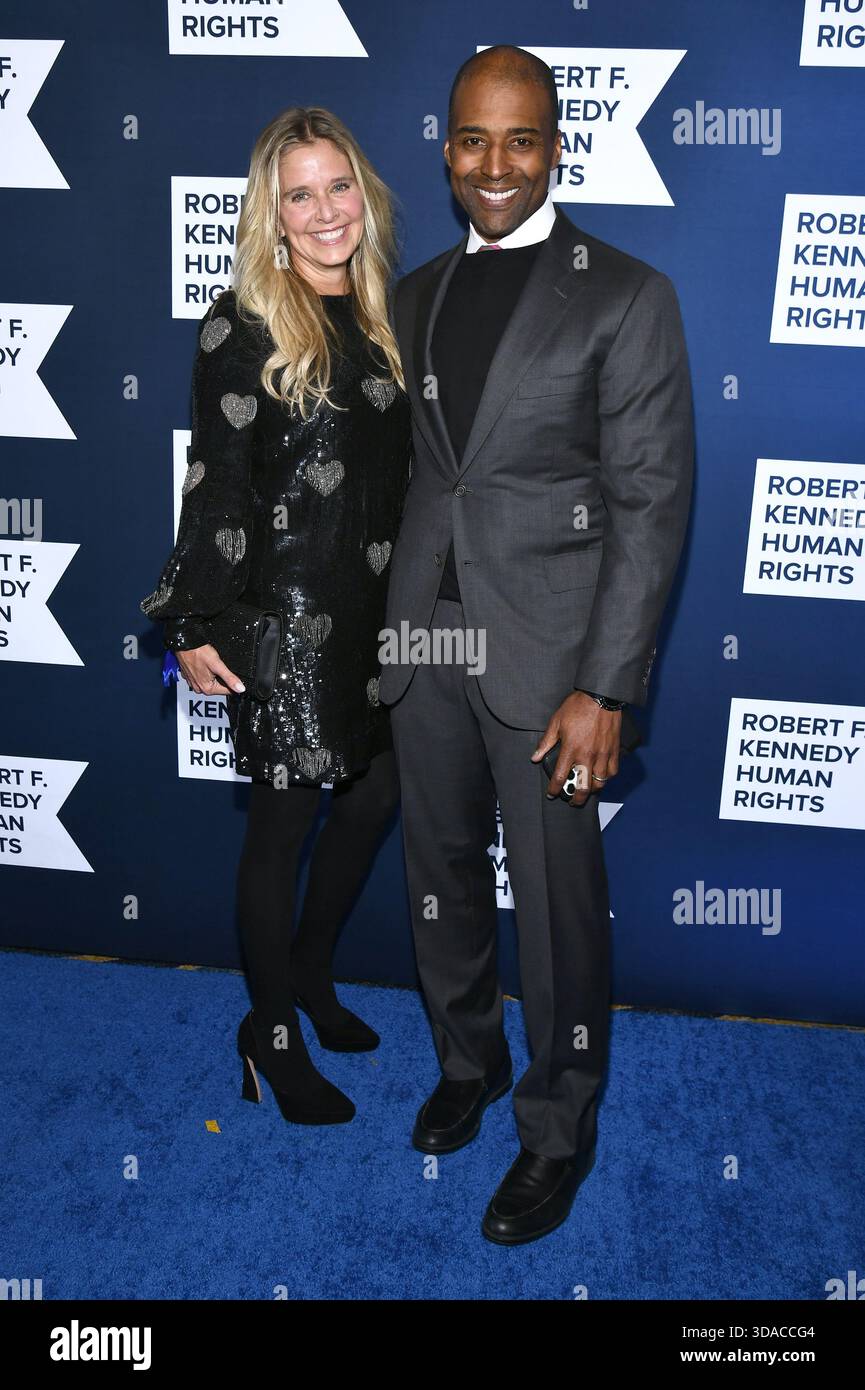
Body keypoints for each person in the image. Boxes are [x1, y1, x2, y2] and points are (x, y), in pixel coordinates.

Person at [379, 46, 694, 1241]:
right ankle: (467, 1063)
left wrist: (604, 686)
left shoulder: (624, 293)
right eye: (473, 139)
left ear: (556, 146)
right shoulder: (414, 295)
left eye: (520, 139)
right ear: (446, 150)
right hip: (425, 642)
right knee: (440, 873)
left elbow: (650, 504)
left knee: (557, 909)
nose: (495, 163)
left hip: (554, 661)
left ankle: (558, 1127)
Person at [140, 107, 412, 1126]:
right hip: (288, 625)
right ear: (273, 214)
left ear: (364, 195)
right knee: (281, 829)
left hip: (378, 617)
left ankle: (307, 973)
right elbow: (216, 485)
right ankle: (272, 1032)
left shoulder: (386, 314)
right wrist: (190, 620)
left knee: (375, 801)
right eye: (300, 194)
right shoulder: (244, 321)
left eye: (339, 186)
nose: (325, 209)